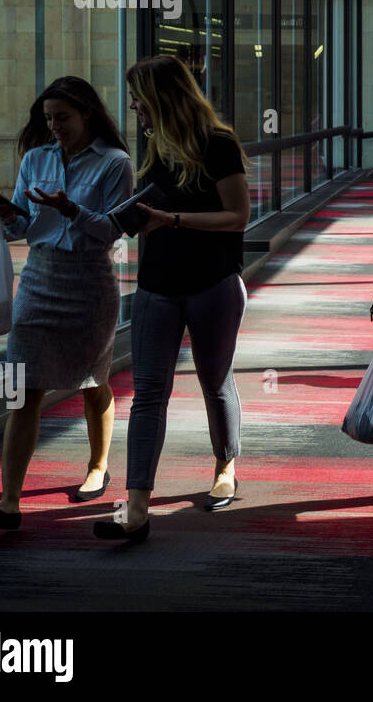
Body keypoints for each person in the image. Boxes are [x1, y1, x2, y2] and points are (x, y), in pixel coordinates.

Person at [93, 56, 250, 543]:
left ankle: (225, 467)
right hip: (157, 286)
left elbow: (238, 216)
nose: (135, 105)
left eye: (140, 96)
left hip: (214, 284)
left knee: (214, 380)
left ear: (164, 96)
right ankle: (136, 506)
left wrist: (173, 219)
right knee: (148, 395)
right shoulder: (153, 145)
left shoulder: (218, 144)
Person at [0, 77, 134, 530]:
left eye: (62, 117)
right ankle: (9, 501)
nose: (54, 126)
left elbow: (113, 230)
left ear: (87, 114)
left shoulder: (114, 164)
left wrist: (71, 211)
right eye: (48, 119)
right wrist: (11, 218)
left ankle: (98, 465)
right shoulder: (35, 159)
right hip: (39, 281)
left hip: (89, 284)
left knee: (92, 382)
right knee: (23, 390)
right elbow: (27, 229)